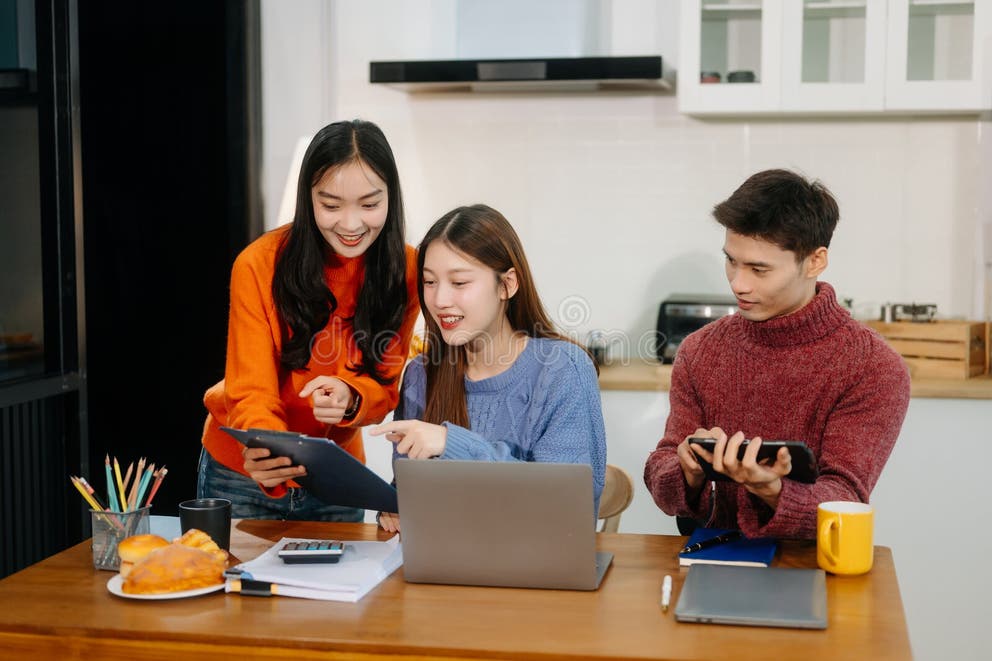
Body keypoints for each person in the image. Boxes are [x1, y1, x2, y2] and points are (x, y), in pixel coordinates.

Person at [644, 169, 910, 540]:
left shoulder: (873, 368)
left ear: (815, 261)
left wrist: (773, 490)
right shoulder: (699, 351)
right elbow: (662, 471)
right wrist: (684, 470)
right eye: (731, 261)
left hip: (813, 567)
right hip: (705, 559)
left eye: (759, 269)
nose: (738, 283)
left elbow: (846, 497)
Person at [197, 119, 420, 520]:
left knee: (341, 584)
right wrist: (265, 448)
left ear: (391, 197)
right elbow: (251, 391)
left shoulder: (406, 271)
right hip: (244, 470)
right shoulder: (258, 265)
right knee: (237, 583)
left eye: (370, 204)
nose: (351, 225)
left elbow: (385, 385)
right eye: (330, 205)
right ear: (308, 198)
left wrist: (352, 396)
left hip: (334, 476)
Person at [369, 204, 607, 532]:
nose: (439, 300)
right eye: (429, 282)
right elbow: (413, 492)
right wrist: (394, 508)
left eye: (459, 282)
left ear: (507, 285)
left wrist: (452, 444)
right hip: (441, 570)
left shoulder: (563, 370)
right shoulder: (421, 375)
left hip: (537, 572)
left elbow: (565, 505)